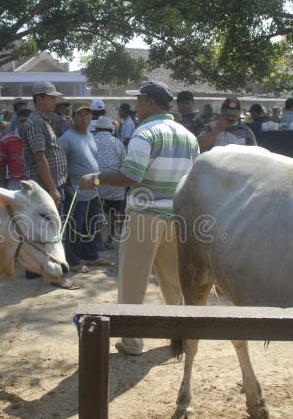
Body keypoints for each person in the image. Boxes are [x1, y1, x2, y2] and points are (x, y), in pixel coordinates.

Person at [78, 81, 199, 355]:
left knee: (133, 280)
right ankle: (179, 335)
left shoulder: (145, 133)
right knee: (173, 281)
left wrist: (95, 178)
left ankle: (132, 341)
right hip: (177, 218)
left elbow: (131, 175)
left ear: (150, 103)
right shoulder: (187, 136)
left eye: (139, 100)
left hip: (145, 217)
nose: (136, 105)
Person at [22, 80, 81, 288]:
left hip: (47, 187)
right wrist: (53, 188)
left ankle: (37, 270)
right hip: (46, 188)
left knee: (43, 231)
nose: (54, 101)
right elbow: (40, 158)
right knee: (54, 233)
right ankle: (57, 275)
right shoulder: (37, 122)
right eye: (51, 97)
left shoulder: (42, 120)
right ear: (39, 99)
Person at [58, 101, 110, 268]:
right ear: (72, 117)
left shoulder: (90, 135)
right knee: (74, 228)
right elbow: (60, 165)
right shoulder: (66, 138)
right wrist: (68, 187)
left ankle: (91, 256)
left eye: (87, 114)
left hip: (93, 190)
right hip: (75, 192)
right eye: (79, 114)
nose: (84, 118)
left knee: (92, 225)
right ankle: (73, 261)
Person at [92, 115, 126, 250]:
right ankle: (110, 239)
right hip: (115, 186)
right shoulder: (118, 143)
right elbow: (124, 164)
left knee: (97, 213)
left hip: (96, 184)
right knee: (114, 213)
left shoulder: (91, 141)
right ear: (111, 130)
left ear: (97, 129)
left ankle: (99, 241)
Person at [0, 121, 25, 190]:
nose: (24, 124)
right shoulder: (7, 140)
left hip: (35, 181)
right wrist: (2, 185)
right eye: (22, 121)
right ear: (17, 122)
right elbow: (1, 164)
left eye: (27, 122)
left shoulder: (37, 137)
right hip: (15, 182)